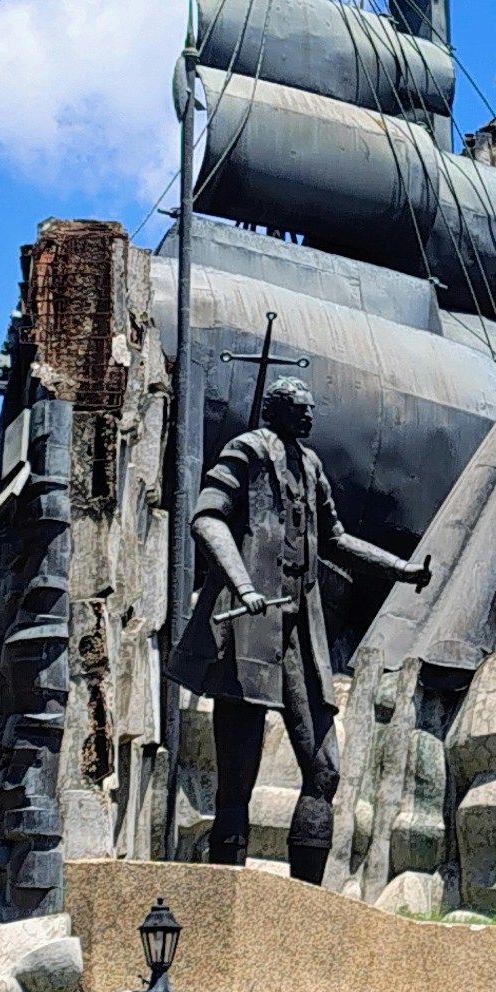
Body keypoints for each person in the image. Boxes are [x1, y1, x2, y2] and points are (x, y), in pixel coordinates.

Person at [176, 376, 425, 877]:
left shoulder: (310, 467)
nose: (311, 415)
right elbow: (207, 518)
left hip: (300, 638)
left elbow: (335, 539)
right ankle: (228, 889)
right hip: (248, 631)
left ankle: (306, 907)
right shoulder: (246, 450)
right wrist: (243, 584)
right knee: (235, 784)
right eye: (301, 408)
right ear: (278, 410)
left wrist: (402, 570)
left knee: (324, 769)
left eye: (312, 407)